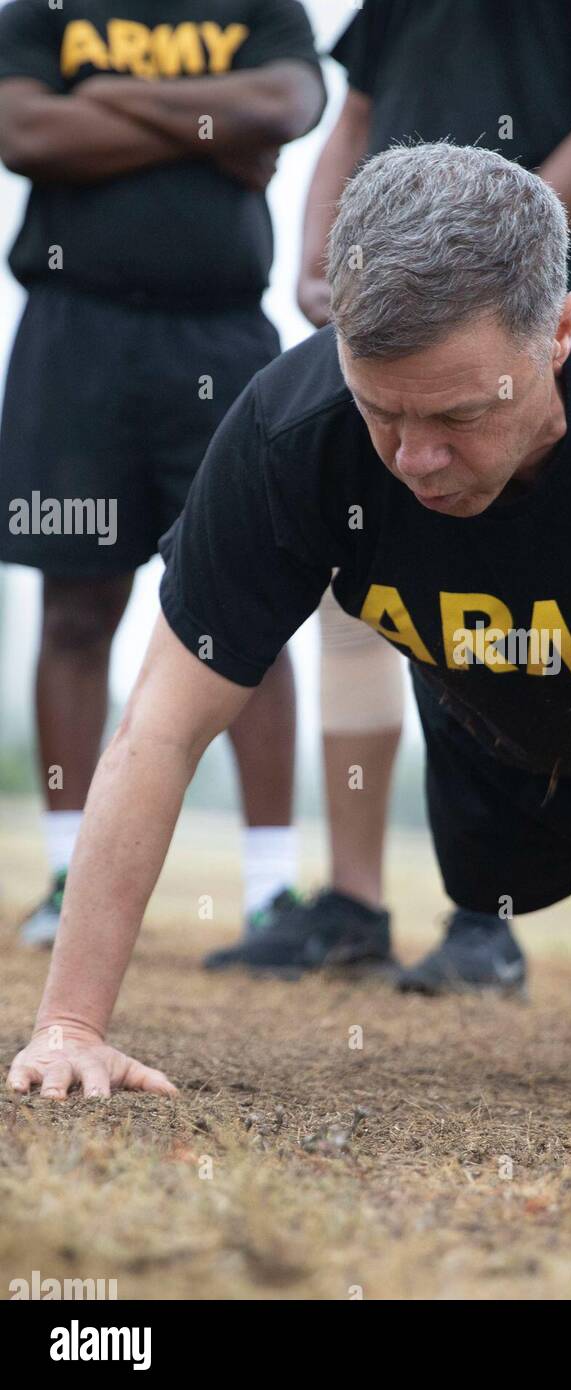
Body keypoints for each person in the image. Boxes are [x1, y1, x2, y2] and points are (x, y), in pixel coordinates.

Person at [6, 144, 571, 1169]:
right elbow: (161, 726)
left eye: (458, 416)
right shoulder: (289, 433)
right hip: (501, 736)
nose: (414, 460)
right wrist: (70, 1025)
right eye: (381, 411)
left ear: (559, 331)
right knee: (497, 877)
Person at [207, 0, 571, 990]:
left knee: (508, 598)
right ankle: (352, 899)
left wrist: (471, 271)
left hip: (517, 319)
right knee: (357, 594)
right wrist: (323, 258)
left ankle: (486, 910)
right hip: (394, 317)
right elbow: (353, 122)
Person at [0, 0, 325, 946]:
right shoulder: (47, 10)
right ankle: (70, 877)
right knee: (74, 607)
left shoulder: (259, 6)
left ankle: (271, 894)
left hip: (222, 335)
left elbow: (283, 109)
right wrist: (208, 129)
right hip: (75, 335)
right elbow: (23, 130)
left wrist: (107, 97)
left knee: (249, 604)